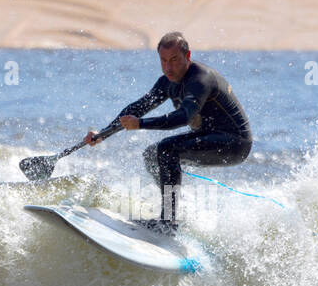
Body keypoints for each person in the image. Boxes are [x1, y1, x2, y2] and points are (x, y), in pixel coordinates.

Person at [84, 32, 252, 234]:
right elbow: (137, 108)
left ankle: (168, 222)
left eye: (174, 60)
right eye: (163, 61)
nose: (168, 67)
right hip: (209, 136)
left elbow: (182, 117)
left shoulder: (200, 80)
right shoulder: (166, 82)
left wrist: (140, 124)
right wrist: (103, 134)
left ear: (187, 56)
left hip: (235, 143)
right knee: (151, 155)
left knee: (166, 149)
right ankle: (171, 211)